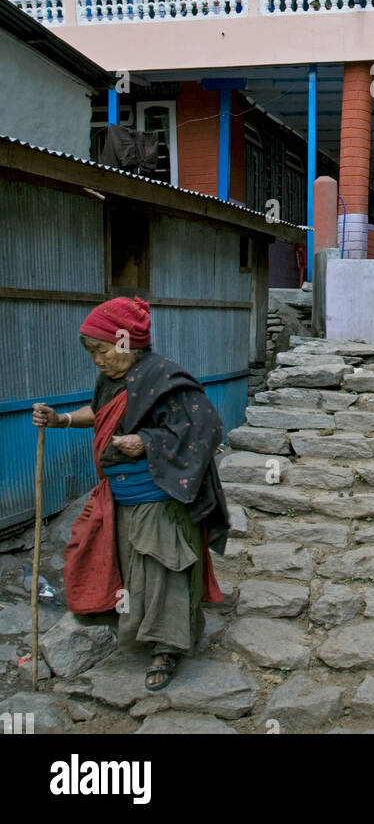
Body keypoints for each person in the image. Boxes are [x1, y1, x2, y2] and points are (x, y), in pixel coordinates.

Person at [33, 296, 229, 692]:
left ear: (125, 343)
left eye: (102, 351)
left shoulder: (165, 378)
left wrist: (147, 441)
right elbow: (101, 412)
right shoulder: (111, 381)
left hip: (160, 498)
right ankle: (138, 629)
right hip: (120, 497)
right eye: (92, 353)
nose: (98, 361)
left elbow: (205, 430)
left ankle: (167, 649)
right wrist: (62, 420)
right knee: (129, 569)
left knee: (163, 571)